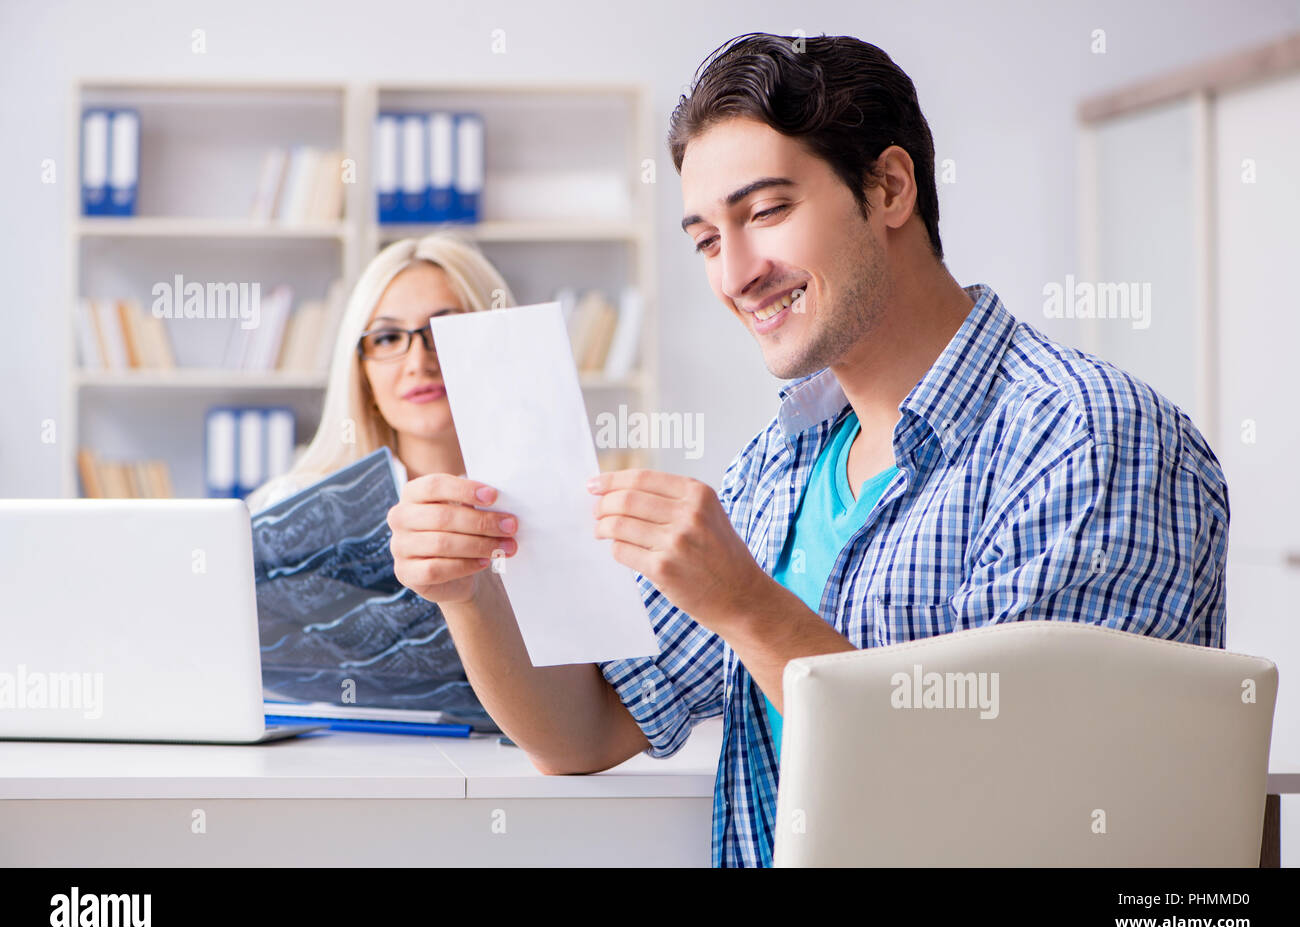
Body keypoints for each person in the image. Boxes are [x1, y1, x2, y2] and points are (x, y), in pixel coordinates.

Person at [386, 33, 1230, 867]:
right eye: (708, 240)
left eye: (765, 212)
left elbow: (1035, 814)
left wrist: (748, 607)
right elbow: (585, 730)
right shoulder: (779, 463)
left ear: (890, 187)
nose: (735, 274)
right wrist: (466, 594)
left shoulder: (1088, 439)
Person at [248, 233, 517, 720]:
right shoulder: (287, 504)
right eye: (389, 338)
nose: (419, 362)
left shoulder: (564, 509)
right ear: (362, 373)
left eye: (445, 330)